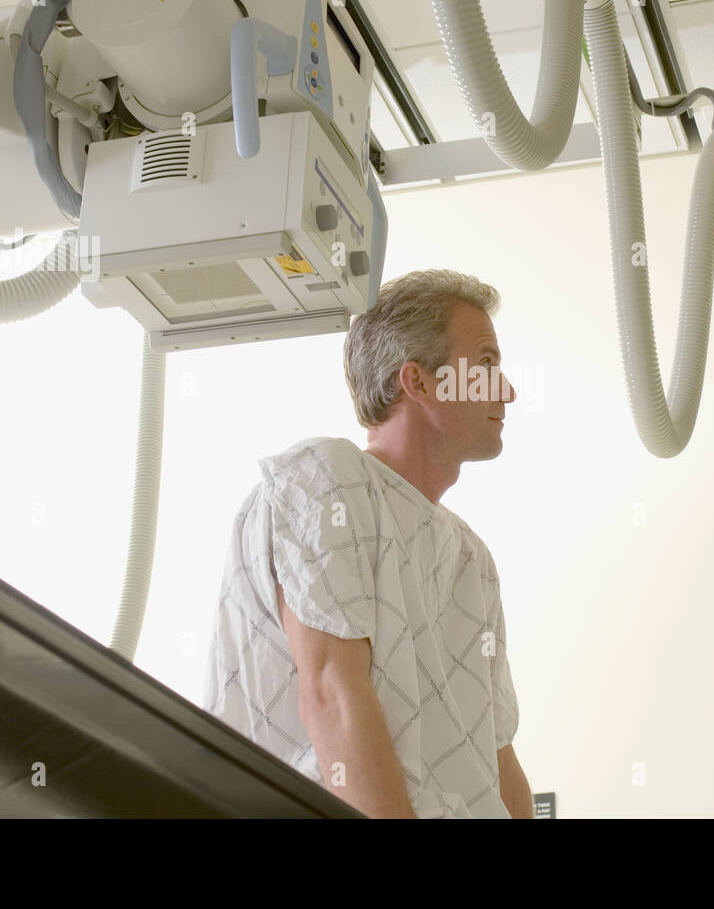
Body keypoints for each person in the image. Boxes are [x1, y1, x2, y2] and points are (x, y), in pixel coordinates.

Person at [203, 269, 530, 818]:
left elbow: (497, 760)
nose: (510, 392)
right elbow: (330, 695)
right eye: (487, 365)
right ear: (418, 382)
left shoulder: (472, 559)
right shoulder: (327, 480)